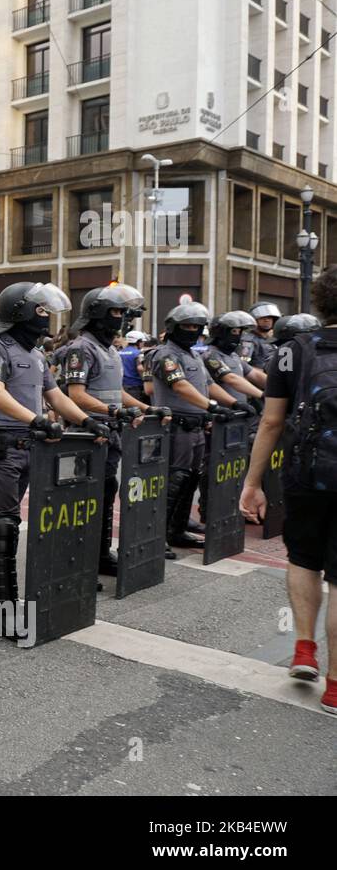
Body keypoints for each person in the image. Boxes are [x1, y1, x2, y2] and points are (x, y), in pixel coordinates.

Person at [0, 282, 113, 608]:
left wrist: (86, 421)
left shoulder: (35, 353)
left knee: (8, 521)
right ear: (20, 312)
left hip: (30, 446)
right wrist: (36, 420)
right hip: (2, 446)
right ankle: (1, 605)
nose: (45, 316)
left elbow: (55, 395)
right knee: (3, 522)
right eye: (40, 310)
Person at [240, 267, 337, 716]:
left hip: (304, 475)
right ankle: (335, 686)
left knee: (303, 559)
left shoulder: (293, 351)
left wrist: (253, 482)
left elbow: (272, 422)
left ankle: (303, 650)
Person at [60, 285, 164, 576]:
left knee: (106, 493)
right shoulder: (81, 348)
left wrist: (146, 409)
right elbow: (76, 394)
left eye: (123, 312)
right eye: (115, 312)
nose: (121, 318)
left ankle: (100, 553)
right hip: (87, 433)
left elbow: (116, 392)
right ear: (96, 315)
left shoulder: (110, 350)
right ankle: (78, 557)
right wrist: (112, 412)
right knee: (84, 497)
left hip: (110, 430)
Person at [148, 302, 241, 551]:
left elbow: (209, 385)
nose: (193, 330)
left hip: (197, 427)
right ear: (174, 327)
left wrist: (234, 403)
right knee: (173, 482)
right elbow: (179, 385)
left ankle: (176, 531)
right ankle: (157, 537)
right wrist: (211, 406)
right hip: (177, 427)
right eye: (188, 326)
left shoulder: (194, 355)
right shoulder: (166, 354)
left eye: (197, 327)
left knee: (190, 480)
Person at [201, 312, 267, 417]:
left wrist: (277, 386)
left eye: (239, 331)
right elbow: (231, 379)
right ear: (220, 332)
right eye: (234, 331)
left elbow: (255, 375)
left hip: (239, 414)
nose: (238, 335)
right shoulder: (210, 355)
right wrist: (263, 395)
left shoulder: (233, 356)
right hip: (222, 416)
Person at [243, 301, 281, 371]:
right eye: (262, 318)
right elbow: (243, 365)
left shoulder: (274, 339)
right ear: (254, 320)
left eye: (269, 318)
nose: (266, 320)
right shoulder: (248, 340)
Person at [121, 329, 148, 403]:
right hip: (135, 386)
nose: (143, 344)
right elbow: (140, 368)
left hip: (122, 386)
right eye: (142, 342)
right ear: (138, 341)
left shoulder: (119, 352)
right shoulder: (138, 353)